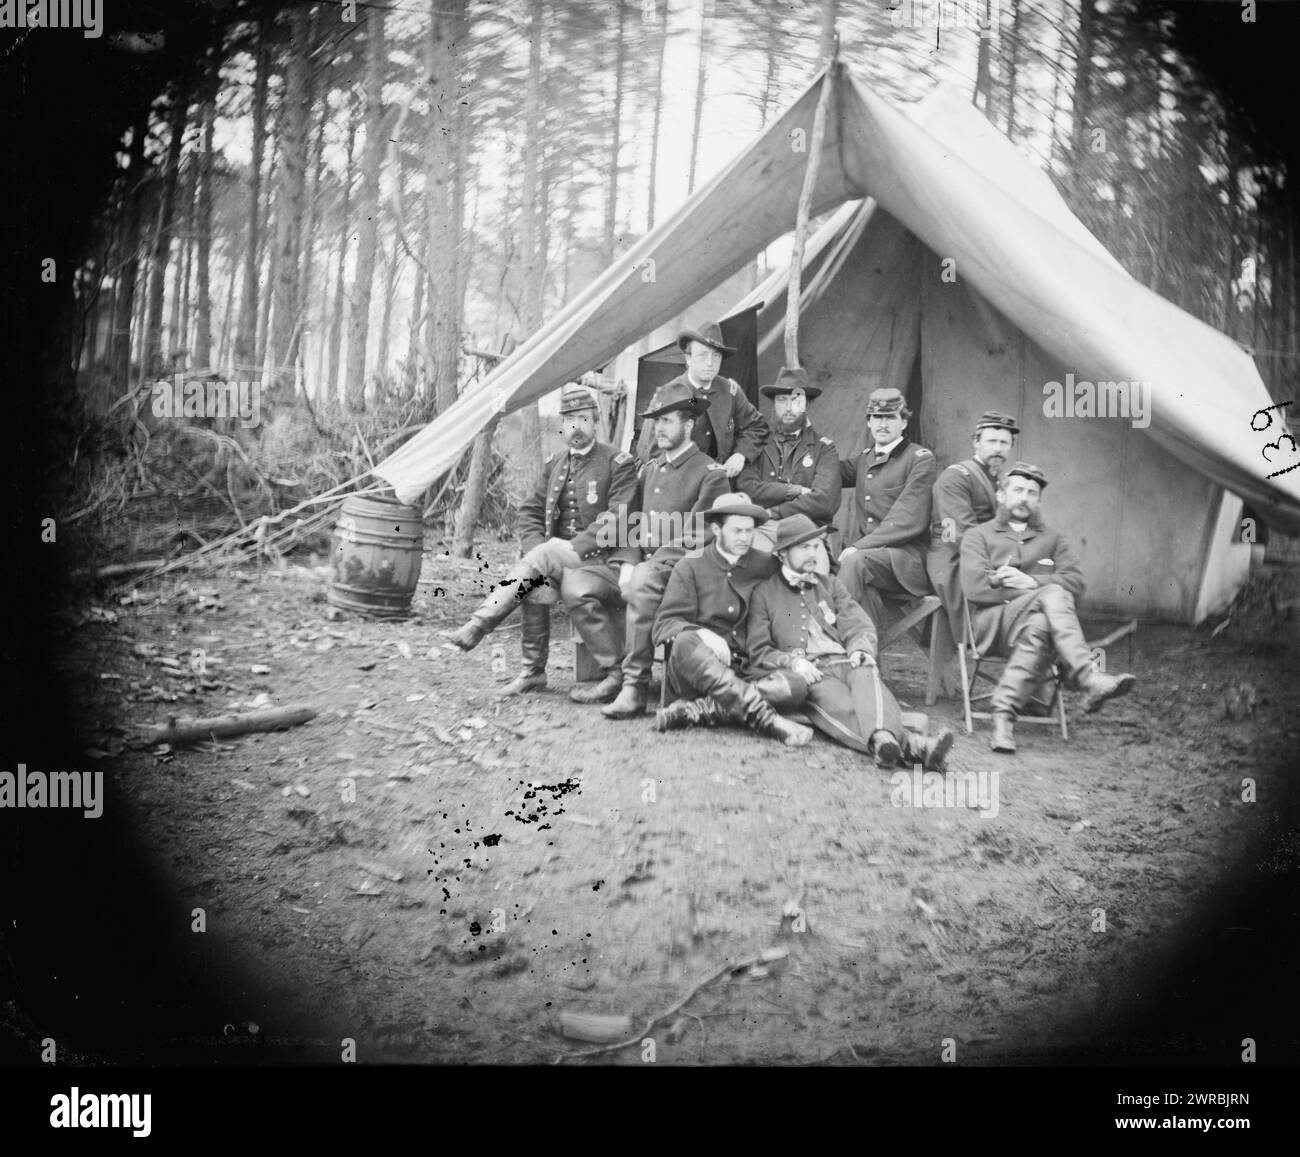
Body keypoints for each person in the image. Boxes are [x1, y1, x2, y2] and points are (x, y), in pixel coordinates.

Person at [441, 385, 637, 695]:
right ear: (561, 426)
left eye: (583, 419)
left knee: (545, 570)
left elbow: (618, 517)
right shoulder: (554, 464)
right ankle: (533, 672)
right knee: (532, 584)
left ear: (596, 420)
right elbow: (529, 511)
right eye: (570, 421)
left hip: (601, 561)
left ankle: (479, 624)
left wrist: (572, 547)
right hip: (556, 559)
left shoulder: (618, 463)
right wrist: (537, 552)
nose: (576, 427)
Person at [563, 381, 730, 716]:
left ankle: (634, 688)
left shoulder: (710, 473)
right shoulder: (650, 469)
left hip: (681, 574)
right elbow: (630, 521)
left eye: (667, 421)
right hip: (640, 567)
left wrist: (642, 568)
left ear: (689, 424)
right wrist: (627, 561)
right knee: (576, 584)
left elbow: (697, 538)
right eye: (656, 422)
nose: (659, 429)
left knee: (640, 583)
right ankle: (614, 671)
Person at [746, 515, 955, 770]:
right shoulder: (764, 594)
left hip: (846, 660)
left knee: (866, 673)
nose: (813, 553)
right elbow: (759, 650)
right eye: (804, 547)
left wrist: (861, 649)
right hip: (813, 672)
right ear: (782, 555)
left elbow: (857, 622)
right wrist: (794, 662)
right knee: (841, 706)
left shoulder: (830, 585)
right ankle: (912, 746)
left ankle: (888, 743)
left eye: (816, 545)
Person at [960, 462, 1136, 754]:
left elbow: (1077, 584)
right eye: (1017, 490)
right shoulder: (978, 535)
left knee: (1042, 626)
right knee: (1054, 591)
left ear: (1038, 501)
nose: (1023, 497)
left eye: (1031, 492)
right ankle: (1085, 675)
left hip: (1034, 627)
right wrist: (1032, 588)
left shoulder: (1053, 539)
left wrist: (1031, 581)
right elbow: (975, 587)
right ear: (1001, 495)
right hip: (991, 626)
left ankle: (1003, 719)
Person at [651, 494, 813, 746]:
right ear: (716, 529)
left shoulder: (766, 564)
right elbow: (664, 625)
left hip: (748, 670)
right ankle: (766, 718)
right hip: (699, 671)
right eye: (737, 531)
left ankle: (699, 711)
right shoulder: (690, 566)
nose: (745, 538)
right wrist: (702, 633)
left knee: (797, 685)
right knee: (684, 641)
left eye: (749, 531)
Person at [837, 387, 937, 629]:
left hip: (906, 560)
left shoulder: (920, 459)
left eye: (890, 417)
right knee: (863, 593)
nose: (882, 424)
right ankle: (867, 660)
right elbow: (828, 473)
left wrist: (857, 547)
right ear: (869, 422)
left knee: (853, 563)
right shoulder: (865, 458)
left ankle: (829, 639)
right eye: (876, 417)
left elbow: (907, 519)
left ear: (903, 422)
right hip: (872, 561)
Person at [634, 320, 769, 476]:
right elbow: (650, 452)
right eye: (702, 355)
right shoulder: (668, 394)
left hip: (721, 481)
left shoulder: (730, 391)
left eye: (716, 356)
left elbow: (757, 426)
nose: (710, 363)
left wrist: (740, 455)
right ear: (688, 358)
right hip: (679, 482)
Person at [926, 410, 1018, 634]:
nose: (998, 448)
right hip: (954, 557)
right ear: (976, 442)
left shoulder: (1002, 479)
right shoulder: (956, 477)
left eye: (1004, 443)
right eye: (992, 441)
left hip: (988, 554)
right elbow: (960, 534)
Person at [737, 365, 842, 555]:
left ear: (806, 405)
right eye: (782, 400)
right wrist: (794, 490)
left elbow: (824, 502)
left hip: (808, 532)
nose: (788, 408)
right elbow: (746, 487)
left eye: (796, 401)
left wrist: (773, 511)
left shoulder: (824, 449)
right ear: (774, 404)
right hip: (761, 529)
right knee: (754, 561)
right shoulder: (757, 443)